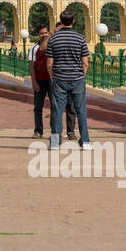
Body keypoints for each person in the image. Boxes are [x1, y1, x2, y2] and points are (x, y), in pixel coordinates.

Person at [46, 9, 92, 149]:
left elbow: (49, 63)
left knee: (57, 111)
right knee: (81, 111)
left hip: (59, 78)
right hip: (77, 79)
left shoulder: (53, 39)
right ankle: (85, 142)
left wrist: (53, 77)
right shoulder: (80, 38)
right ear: (73, 21)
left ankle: (55, 143)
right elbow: (85, 63)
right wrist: (81, 76)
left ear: (61, 21)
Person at [28, 25, 52, 138]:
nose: (44, 35)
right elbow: (32, 66)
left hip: (52, 81)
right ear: (38, 35)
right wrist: (34, 82)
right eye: (41, 33)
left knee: (55, 107)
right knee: (38, 107)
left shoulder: (53, 46)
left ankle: (55, 131)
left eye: (46, 33)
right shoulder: (34, 48)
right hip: (40, 80)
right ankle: (38, 130)